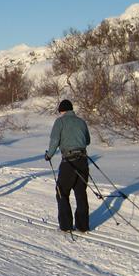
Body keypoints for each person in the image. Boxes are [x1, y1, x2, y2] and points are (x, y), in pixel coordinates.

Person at [45, 99, 91, 232]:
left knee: (62, 191)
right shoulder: (81, 122)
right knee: (80, 192)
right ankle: (83, 225)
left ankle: (66, 225)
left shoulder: (60, 122)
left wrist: (49, 155)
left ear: (62, 110)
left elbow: (54, 141)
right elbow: (87, 140)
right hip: (83, 160)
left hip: (68, 161)